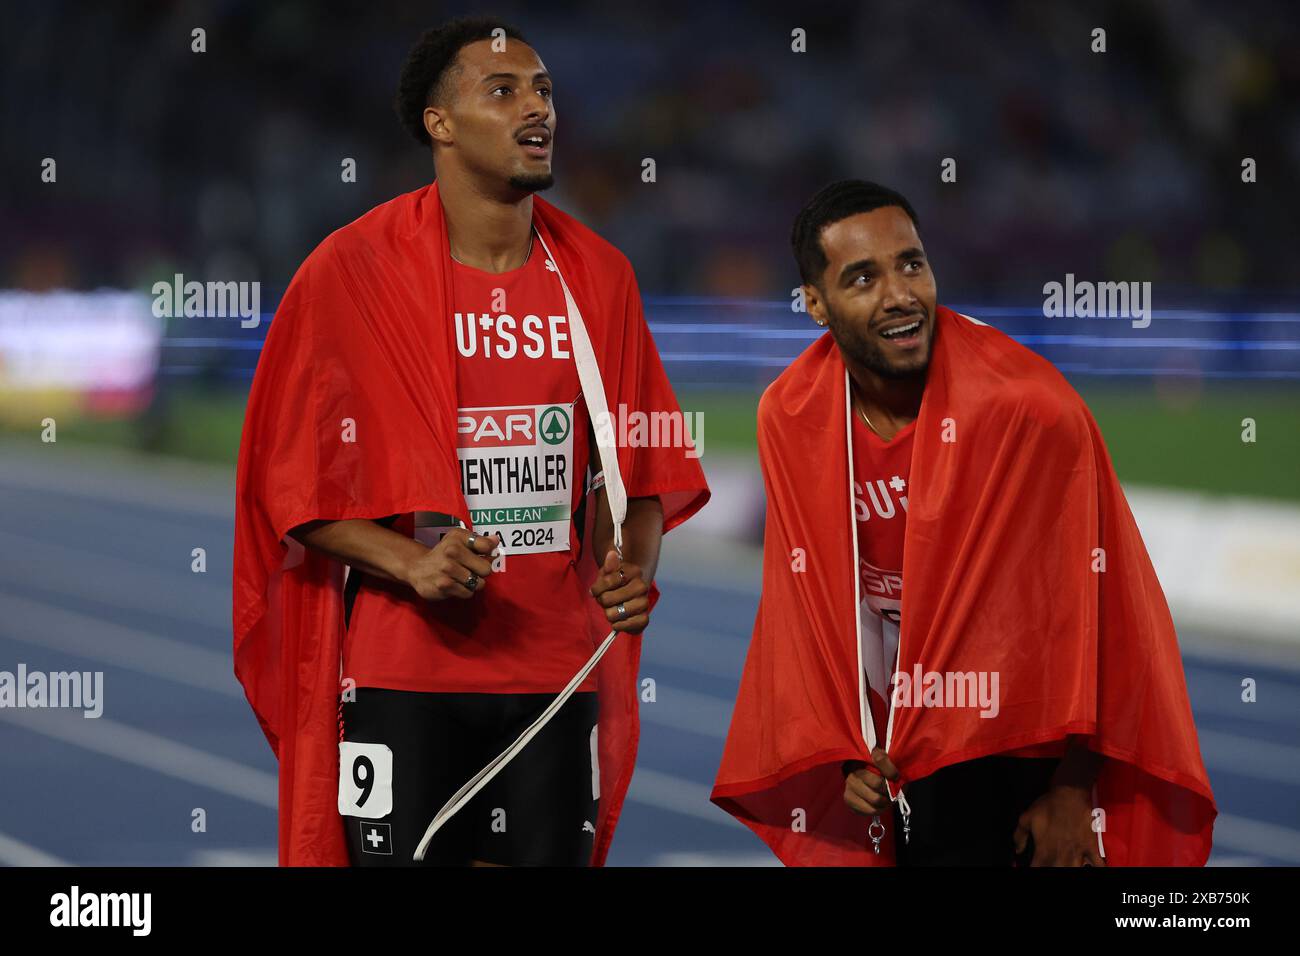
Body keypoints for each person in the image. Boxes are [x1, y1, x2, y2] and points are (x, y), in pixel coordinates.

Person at [233, 16, 708, 867]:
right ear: (439, 124)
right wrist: (411, 561)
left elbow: (639, 473)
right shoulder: (351, 272)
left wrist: (634, 568)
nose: (539, 108)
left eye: (546, 90)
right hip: (405, 675)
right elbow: (292, 489)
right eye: (504, 90)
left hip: (555, 675)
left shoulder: (601, 278)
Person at [711, 179, 1215, 866]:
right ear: (815, 305)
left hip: (1024, 749)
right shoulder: (791, 415)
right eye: (863, 278)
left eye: (911, 264)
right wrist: (842, 749)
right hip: (908, 753)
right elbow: (810, 608)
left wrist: (1074, 786)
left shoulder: (1030, 409)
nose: (899, 295)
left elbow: (1106, 609)